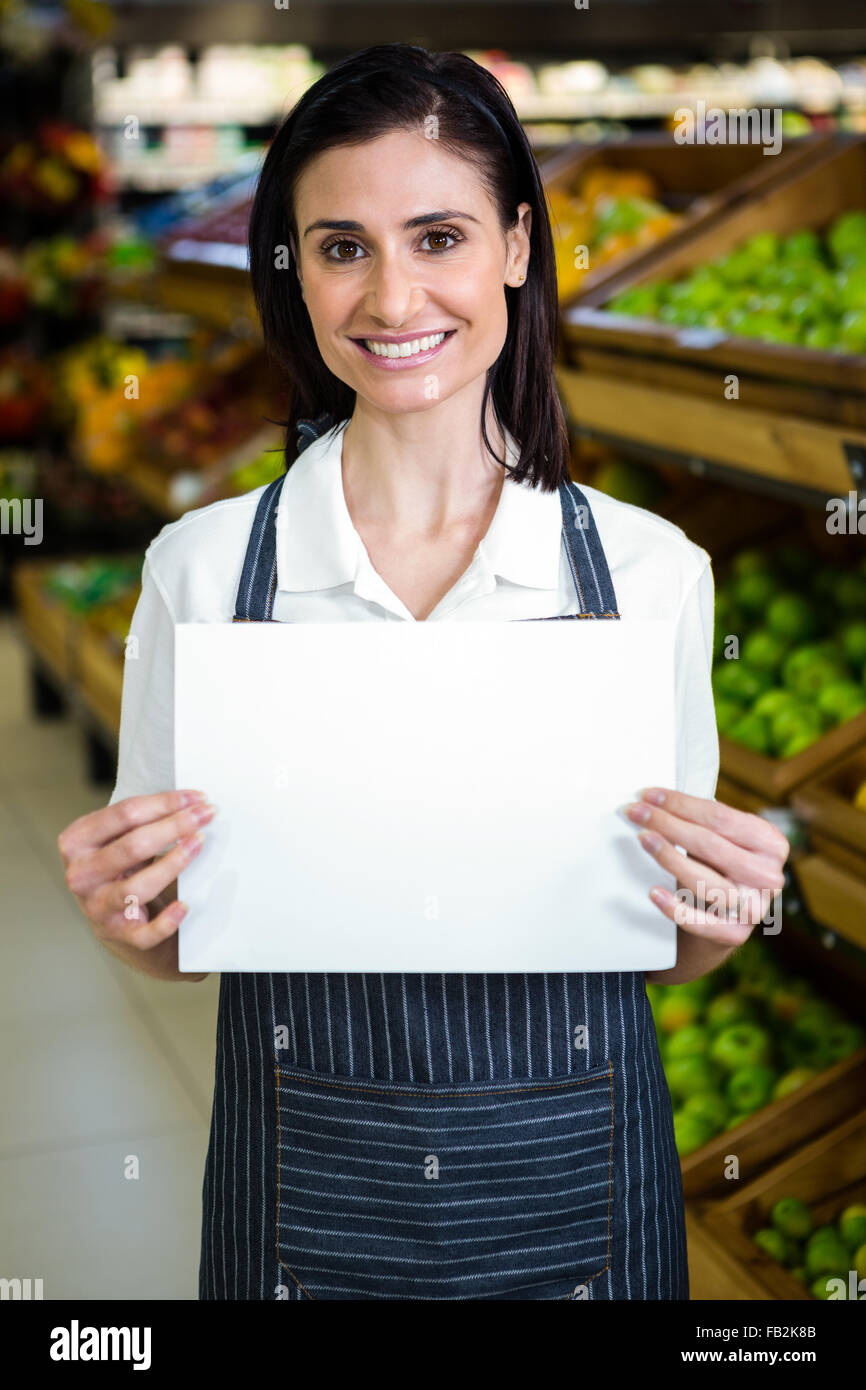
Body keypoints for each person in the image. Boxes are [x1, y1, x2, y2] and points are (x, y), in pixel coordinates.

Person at [57, 43, 789, 1301]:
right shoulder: (203, 570)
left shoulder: (649, 572)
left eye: (437, 236)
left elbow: (657, 942)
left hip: (579, 1196)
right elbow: (180, 936)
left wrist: (724, 916)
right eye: (342, 247)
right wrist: (121, 918)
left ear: (514, 243)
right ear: (293, 267)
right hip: (303, 1195)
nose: (393, 301)